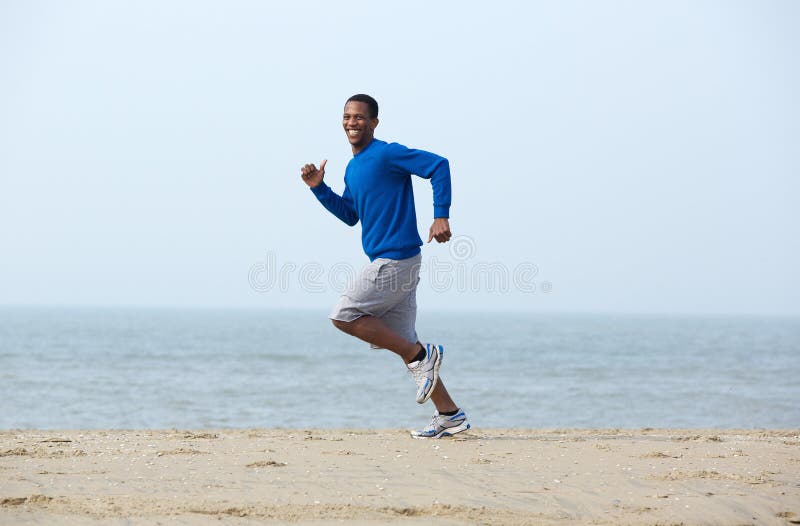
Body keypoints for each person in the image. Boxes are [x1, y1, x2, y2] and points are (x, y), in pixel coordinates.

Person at [300, 94, 470, 439]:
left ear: (374, 123)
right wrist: (319, 188)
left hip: (396, 259)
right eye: (347, 117)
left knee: (344, 315)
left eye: (360, 117)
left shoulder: (387, 153)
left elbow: (439, 165)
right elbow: (350, 215)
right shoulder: (353, 168)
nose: (352, 122)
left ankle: (424, 354)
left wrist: (441, 215)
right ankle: (449, 414)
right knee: (406, 344)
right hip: (395, 261)